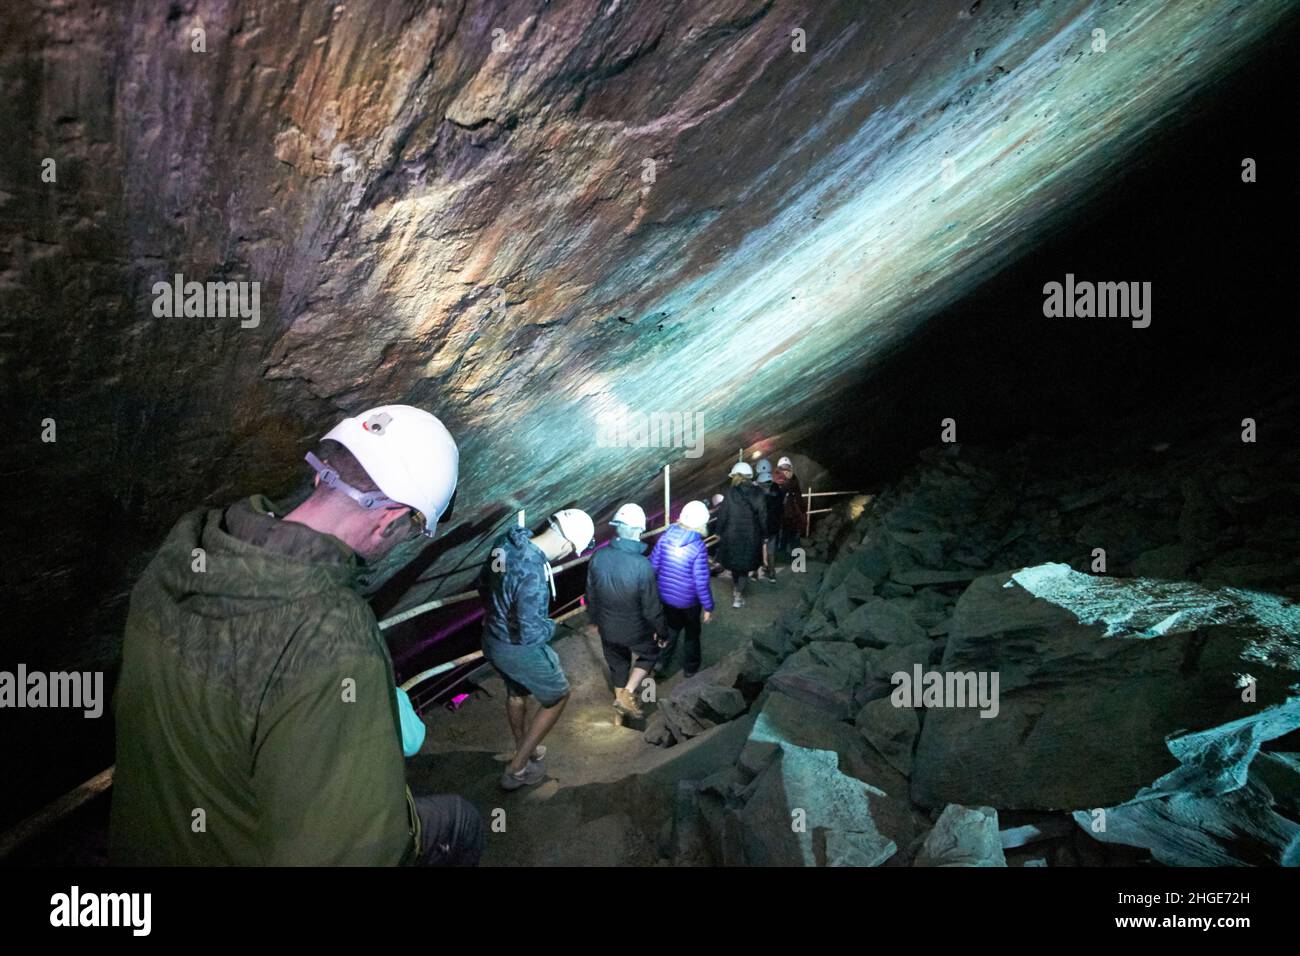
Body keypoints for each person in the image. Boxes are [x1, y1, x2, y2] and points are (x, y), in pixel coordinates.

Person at [110, 405, 484, 866]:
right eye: (411, 531)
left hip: (149, 839)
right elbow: (350, 852)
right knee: (461, 823)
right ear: (389, 520)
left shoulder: (186, 552)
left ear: (322, 477)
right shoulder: (333, 637)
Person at [478, 507, 593, 790]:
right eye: (570, 551)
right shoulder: (533, 575)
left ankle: (523, 749)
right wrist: (551, 626)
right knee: (557, 695)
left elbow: (485, 583)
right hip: (517, 649)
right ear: (567, 544)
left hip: (491, 637)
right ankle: (517, 769)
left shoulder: (506, 542)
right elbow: (531, 633)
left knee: (517, 693)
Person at [585, 503, 667, 720]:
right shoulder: (642, 565)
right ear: (638, 530)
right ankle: (628, 694)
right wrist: (662, 631)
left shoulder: (598, 556)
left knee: (617, 664)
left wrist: (594, 619)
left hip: (607, 627)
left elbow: (591, 593)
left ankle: (619, 715)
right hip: (634, 629)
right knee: (650, 654)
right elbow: (651, 607)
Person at [649, 500, 714, 677]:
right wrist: (708, 607)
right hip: (689, 602)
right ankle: (690, 668)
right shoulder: (698, 546)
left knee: (670, 629)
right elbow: (701, 581)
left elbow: (652, 567)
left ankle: (661, 662)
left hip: (666, 598)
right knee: (692, 633)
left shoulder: (665, 538)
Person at [715, 461, 766, 608]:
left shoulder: (730, 493)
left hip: (732, 535)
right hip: (751, 536)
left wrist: (719, 531)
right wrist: (765, 533)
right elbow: (763, 516)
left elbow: (723, 514)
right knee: (744, 567)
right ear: (749, 476)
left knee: (736, 565)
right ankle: (738, 594)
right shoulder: (758, 493)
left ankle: (737, 591)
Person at [754, 459, 784, 582]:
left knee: (757, 548)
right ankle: (772, 574)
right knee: (771, 551)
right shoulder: (776, 488)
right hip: (773, 526)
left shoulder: (757, 490)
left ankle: (755, 573)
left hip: (760, 526)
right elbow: (780, 508)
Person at [774, 455, 805, 555]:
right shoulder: (782, 481)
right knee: (784, 534)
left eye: (786, 468)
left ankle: (786, 553)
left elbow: (798, 497)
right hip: (783, 514)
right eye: (783, 468)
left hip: (789, 514)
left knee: (789, 534)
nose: (785, 471)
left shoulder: (792, 481)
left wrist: (802, 510)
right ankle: (784, 553)